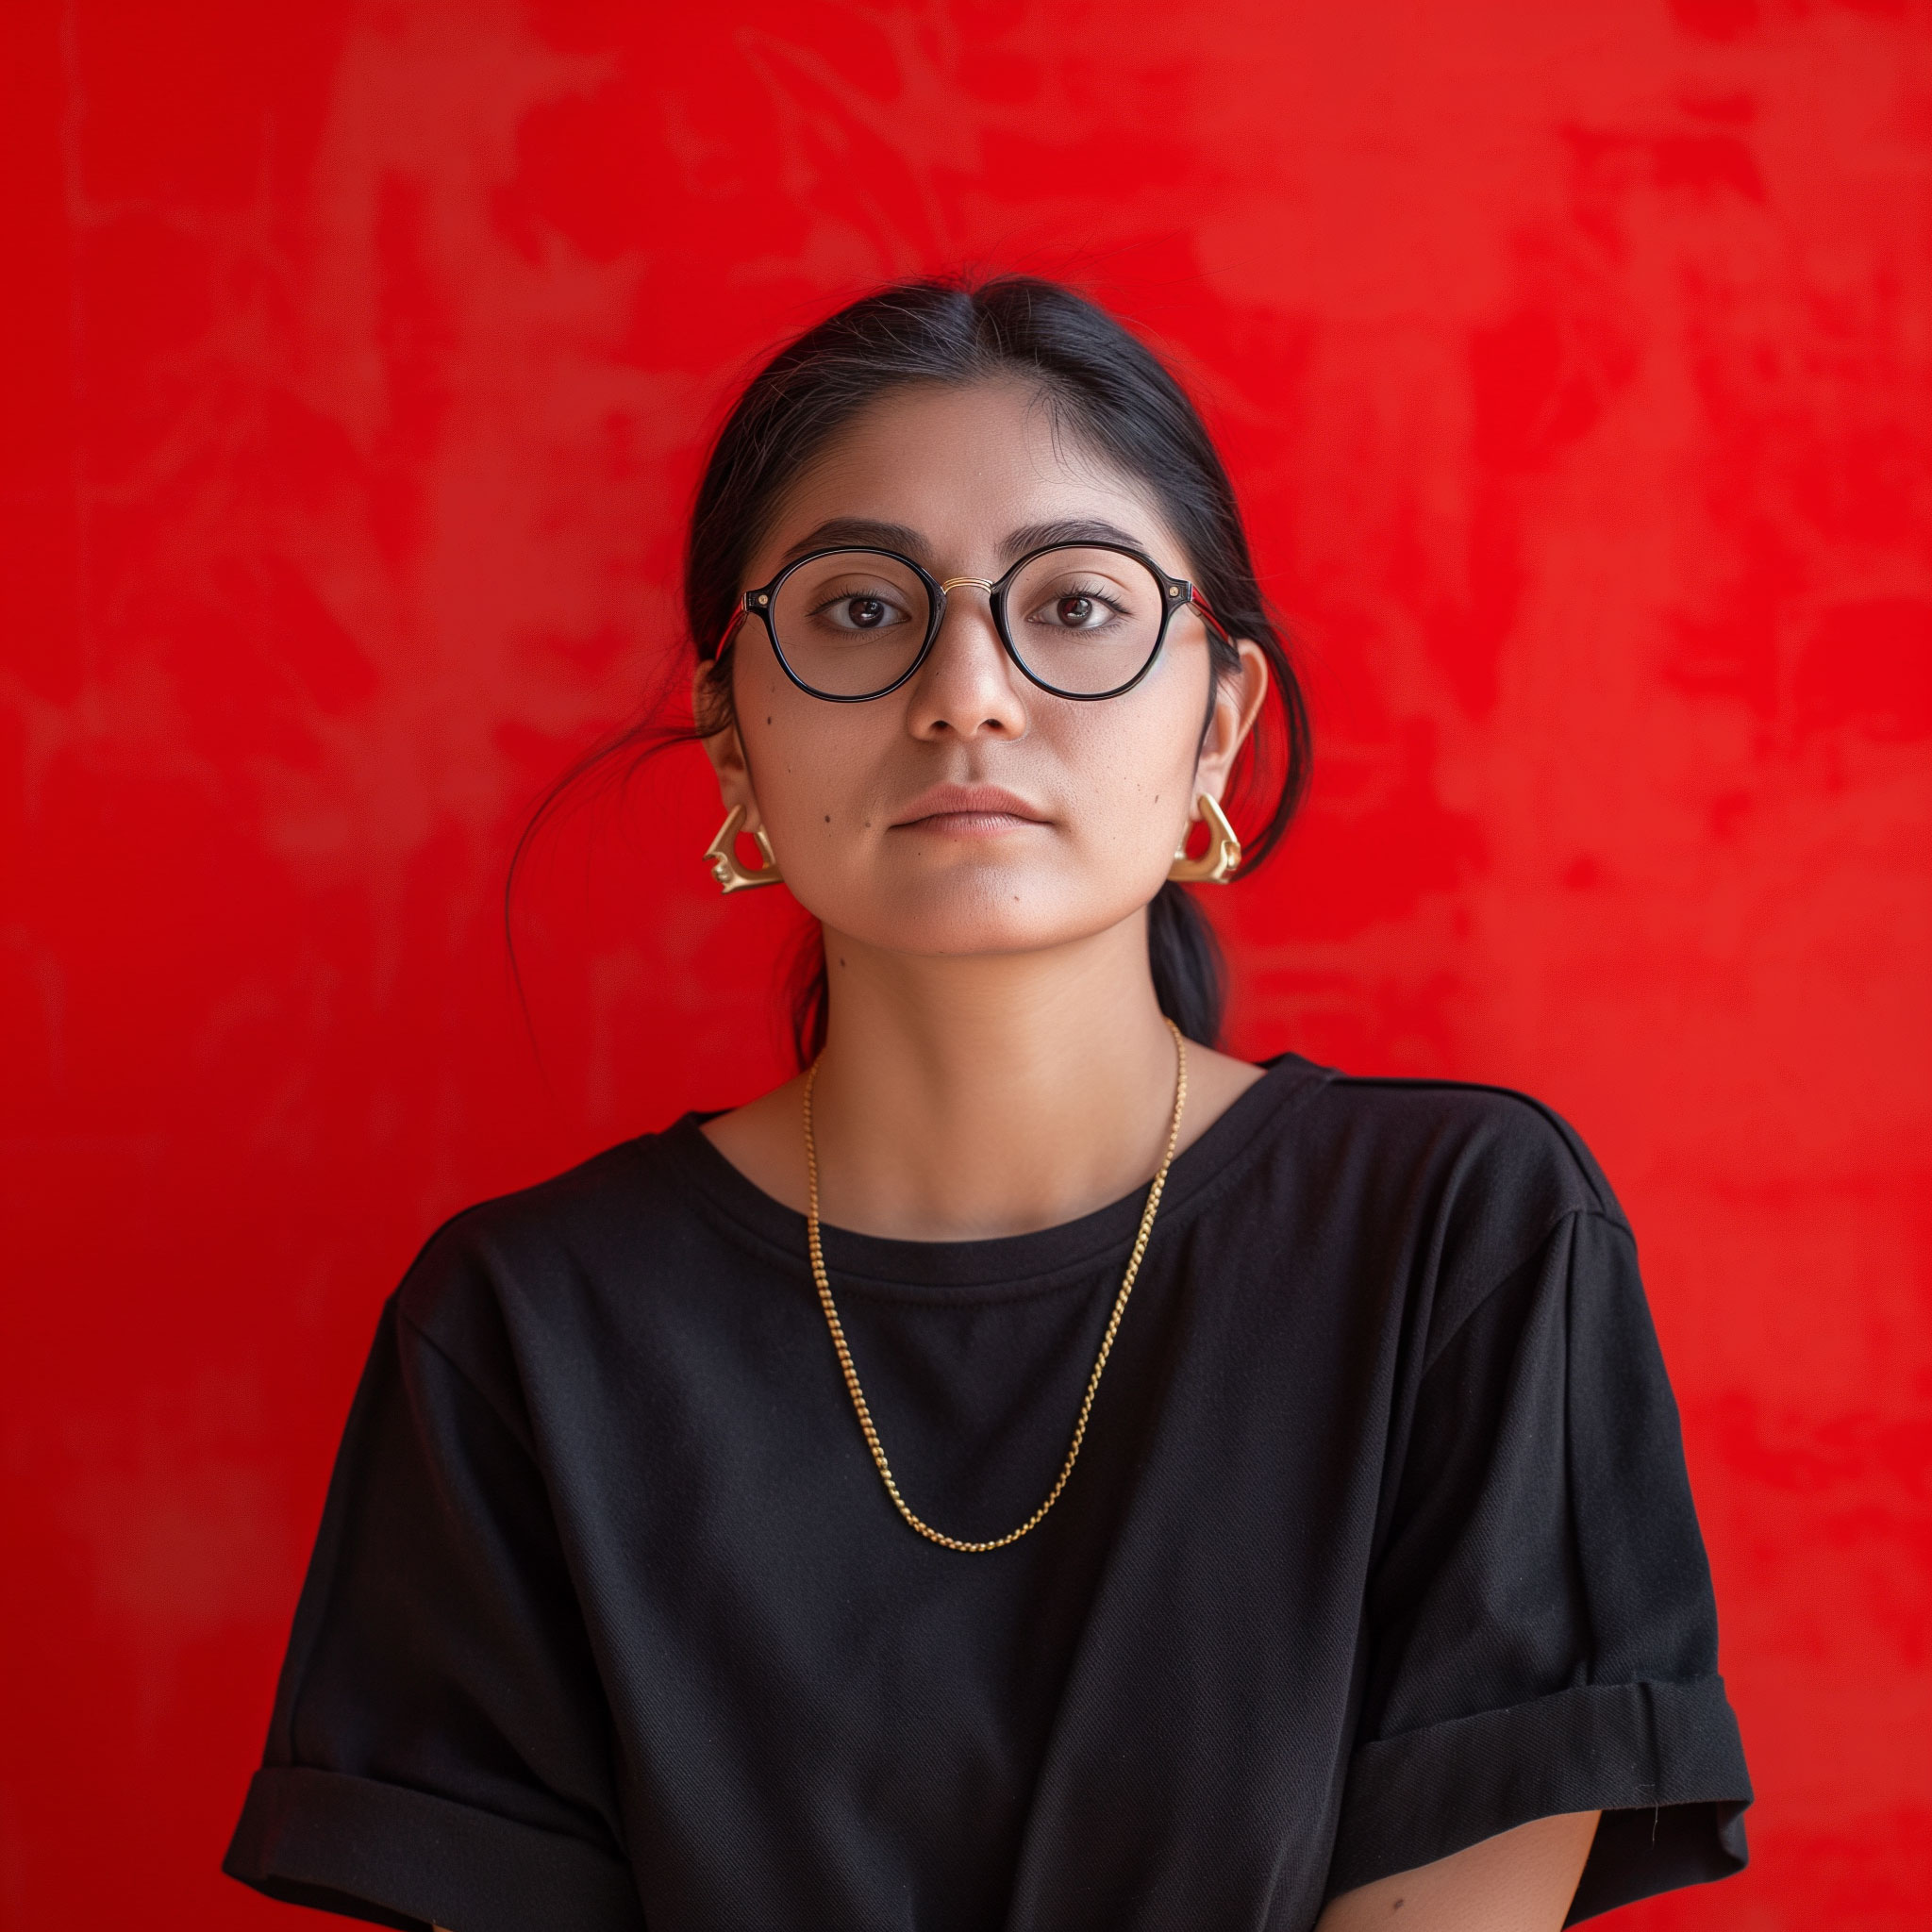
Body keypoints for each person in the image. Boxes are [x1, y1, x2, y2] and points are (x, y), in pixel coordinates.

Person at [224, 277, 1752, 1932]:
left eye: (1078, 607)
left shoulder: (1466, 1237)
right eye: (863, 611)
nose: (968, 690)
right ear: (733, 737)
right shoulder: (522, 1331)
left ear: (1218, 725)